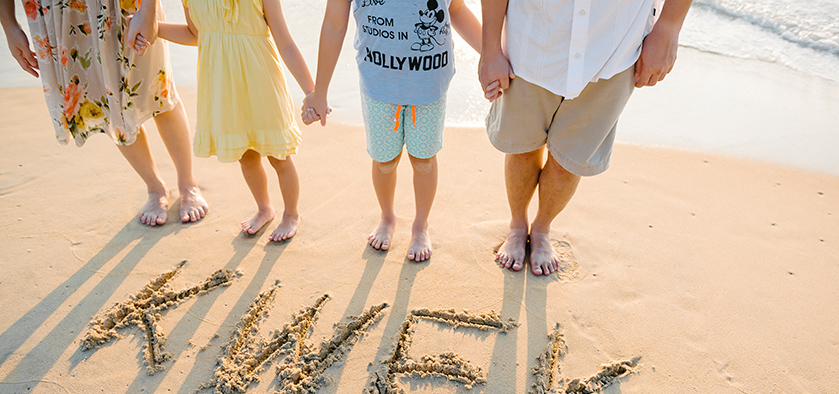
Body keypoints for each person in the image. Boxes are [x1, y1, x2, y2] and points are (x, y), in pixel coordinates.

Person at [479, 0, 693, 275]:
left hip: (613, 48)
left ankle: (542, 228)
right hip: (531, 40)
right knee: (522, 148)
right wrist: (490, 48)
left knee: (568, 163)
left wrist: (669, 27)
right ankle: (518, 225)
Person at [301, 0, 486, 262]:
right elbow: (334, 23)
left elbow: (455, 9)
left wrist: (491, 55)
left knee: (424, 161)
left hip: (429, 85)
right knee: (384, 162)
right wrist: (320, 91)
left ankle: (420, 225)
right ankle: (387, 217)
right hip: (379, 87)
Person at [0, 0, 208, 227]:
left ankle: (187, 182)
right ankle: (155, 187)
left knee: (158, 88)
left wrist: (148, 10)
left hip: (122, 5)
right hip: (62, 13)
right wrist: (9, 26)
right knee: (108, 102)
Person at [143, 0, 315, 241]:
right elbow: (195, 34)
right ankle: (264, 208)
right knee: (246, 156)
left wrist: (311, 92)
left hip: (261, 82)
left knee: (280, 156)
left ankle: (291, 214)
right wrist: (155, 28)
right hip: (224, 87)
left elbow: (285, 42)